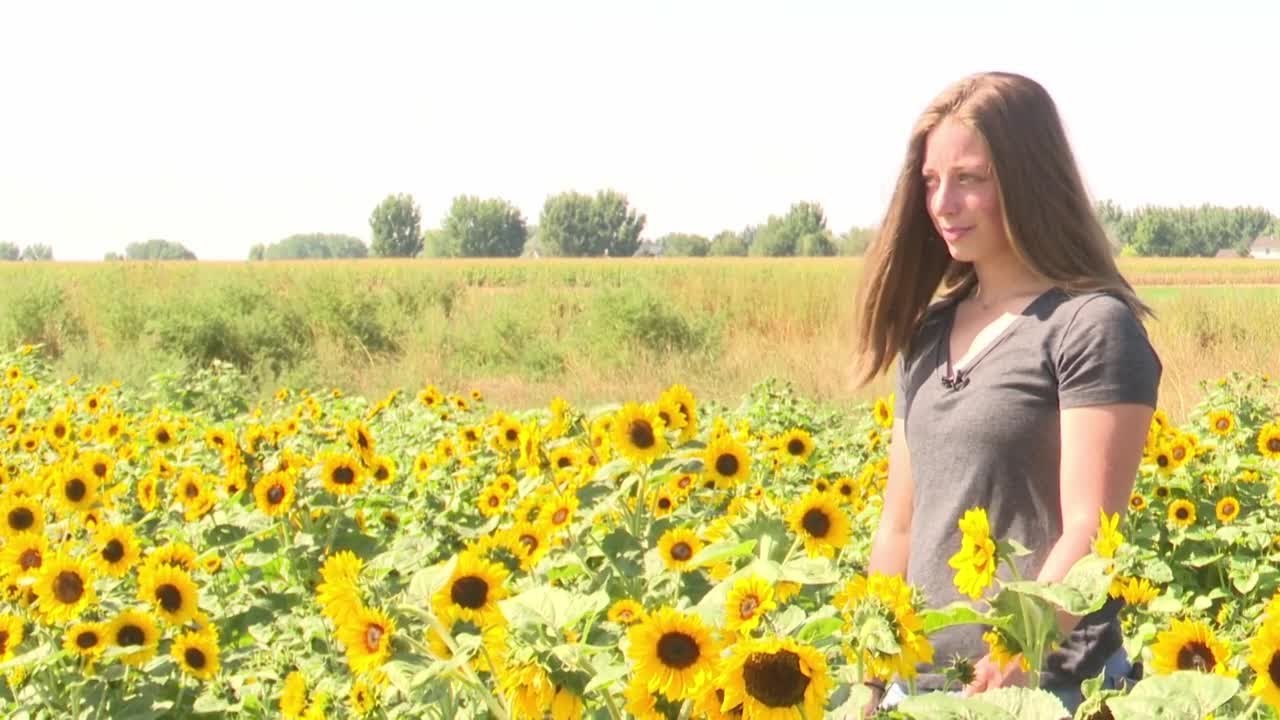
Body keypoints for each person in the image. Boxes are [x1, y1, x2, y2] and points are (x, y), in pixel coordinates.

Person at [848, 71, 1161, 715]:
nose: (943, 203)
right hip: (919, 693)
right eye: (931, 181)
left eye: (969, 178)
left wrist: (1019, 648)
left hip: (1050, 691)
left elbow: (1091, 530)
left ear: (1028, 180)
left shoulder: (1089, 326)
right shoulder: (927, 334)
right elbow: (899, 525)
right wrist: (870, 681)